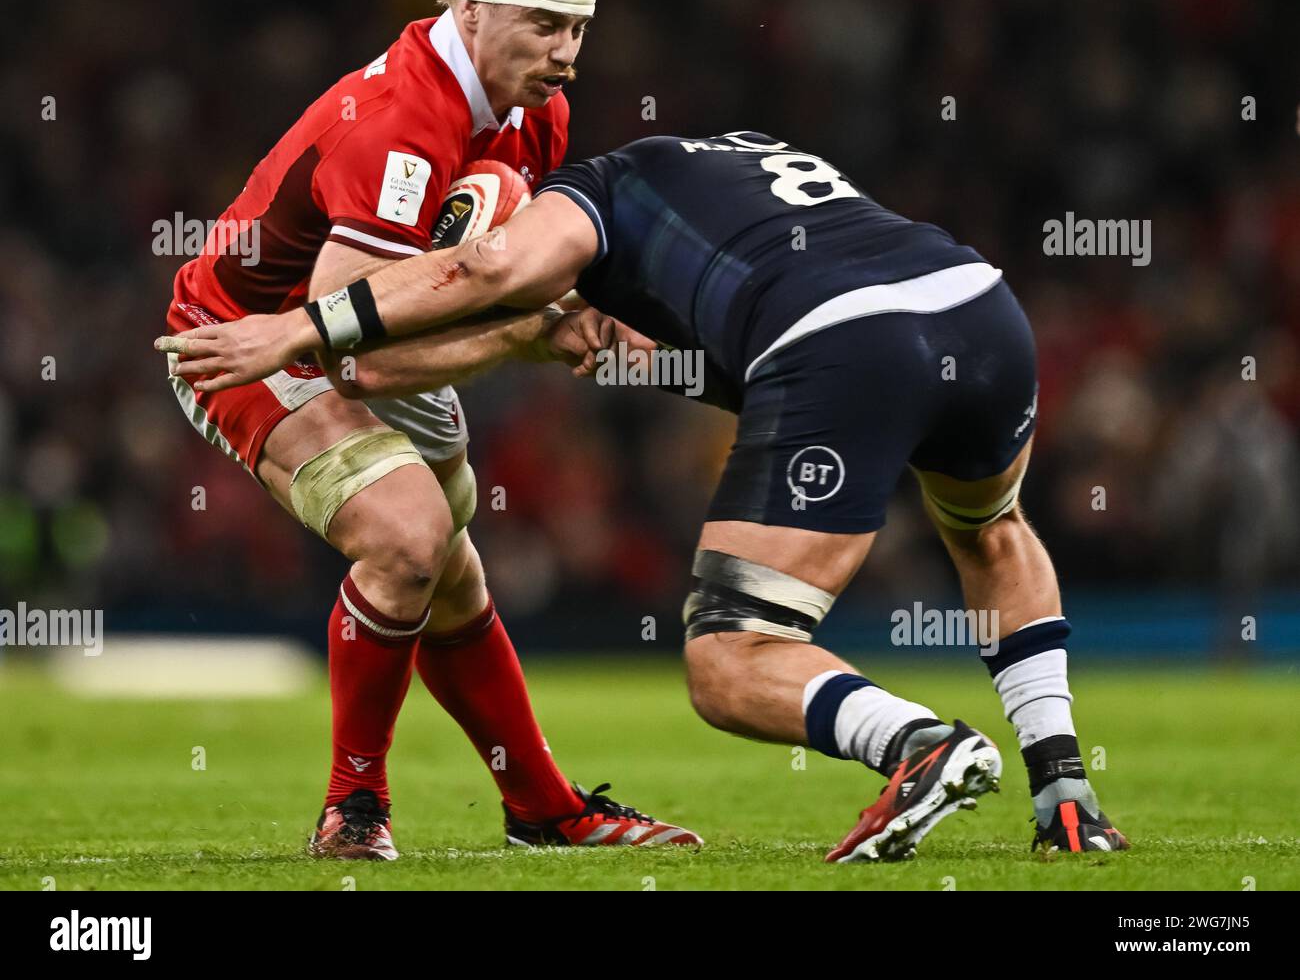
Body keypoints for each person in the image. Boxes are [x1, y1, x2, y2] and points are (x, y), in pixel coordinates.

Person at [161, 130, 1129, 862]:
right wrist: (569, 341)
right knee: (991, 526)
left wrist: (315, 331)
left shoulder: (580, 196)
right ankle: (1065, 791)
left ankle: (912, 742)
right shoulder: (722, 159)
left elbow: (477, 278)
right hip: (978, 306)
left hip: (840, 336)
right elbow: (741, 356)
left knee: (728, 657)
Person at [157, 0, 701, 860]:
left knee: (446, 577)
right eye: (544, 24)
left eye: (577, 27)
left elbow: (455, 289)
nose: (567, 52)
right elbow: (348, 352)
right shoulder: (401, 121)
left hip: (349, 333)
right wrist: (535, 334)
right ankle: (352, 807)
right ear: (473, 6)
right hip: (247, 338)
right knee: (407, 537)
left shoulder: (538, 112)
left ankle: (545, 809)